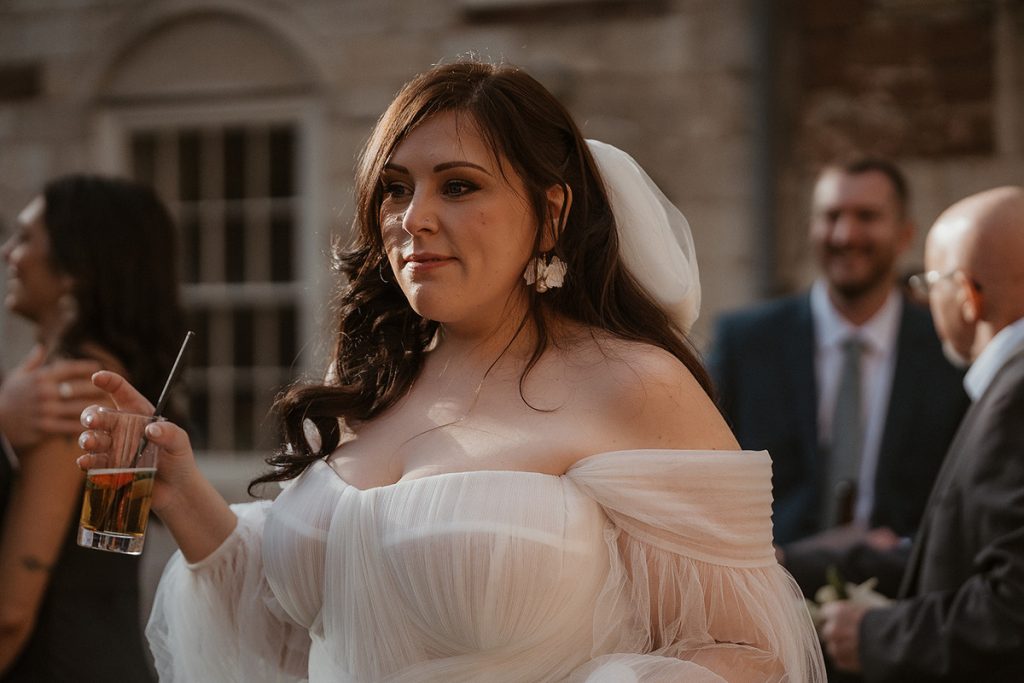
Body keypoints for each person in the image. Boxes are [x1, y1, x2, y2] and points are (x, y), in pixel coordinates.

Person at [78, 61, 825, 681]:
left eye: (459, 185)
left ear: (552, 212)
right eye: (396, 187)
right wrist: (177, 487)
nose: (414, 217)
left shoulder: (634, 384)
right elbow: (299, 632)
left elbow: (746, 651)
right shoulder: (368, 380)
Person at [708, 159, 969, 598]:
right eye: (831, 217)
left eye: (866, 217)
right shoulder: (746, 342)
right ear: (812, 227)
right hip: (770, 592)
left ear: (905, 233)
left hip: (907, 602)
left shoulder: (948, 349)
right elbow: (707, 471)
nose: (845, 235)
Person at [820, 186, 1024, 681]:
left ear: (969, 296)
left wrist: (874, 636)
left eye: (930, 283)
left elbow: (1013, 607)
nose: (927, 301)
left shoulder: (1016, 397)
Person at [0, 175, 184, 681]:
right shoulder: (71, 380)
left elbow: (10, 615)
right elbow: (104, 547)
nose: (7, 253)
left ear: (73, 271)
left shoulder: (76, 392)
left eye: (24, 238)